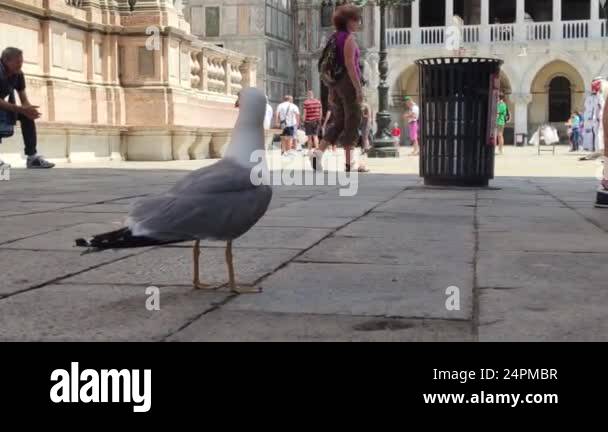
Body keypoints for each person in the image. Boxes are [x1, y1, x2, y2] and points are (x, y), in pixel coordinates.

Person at [311, 4, 368, 173]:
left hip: (335, 85)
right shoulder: (349, 39)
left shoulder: (334, 38)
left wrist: (330, 90)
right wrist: (358, 89)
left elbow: (331, 65)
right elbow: (351, 65)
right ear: (349, 21)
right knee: (353, 119)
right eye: (357, 20)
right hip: (348, 83)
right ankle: (350, 164)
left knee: (338, 122)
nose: (358, 23)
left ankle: (318, 154)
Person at [0, 47, 54, 169]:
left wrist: (29, 110)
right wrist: (20, 109)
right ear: (6, 61)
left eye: (21, 61)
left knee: (26, 115)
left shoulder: (18, 74)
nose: (20, 65)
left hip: (4, 106)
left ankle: (32, 158)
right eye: (18, 62)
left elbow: (23, 99)